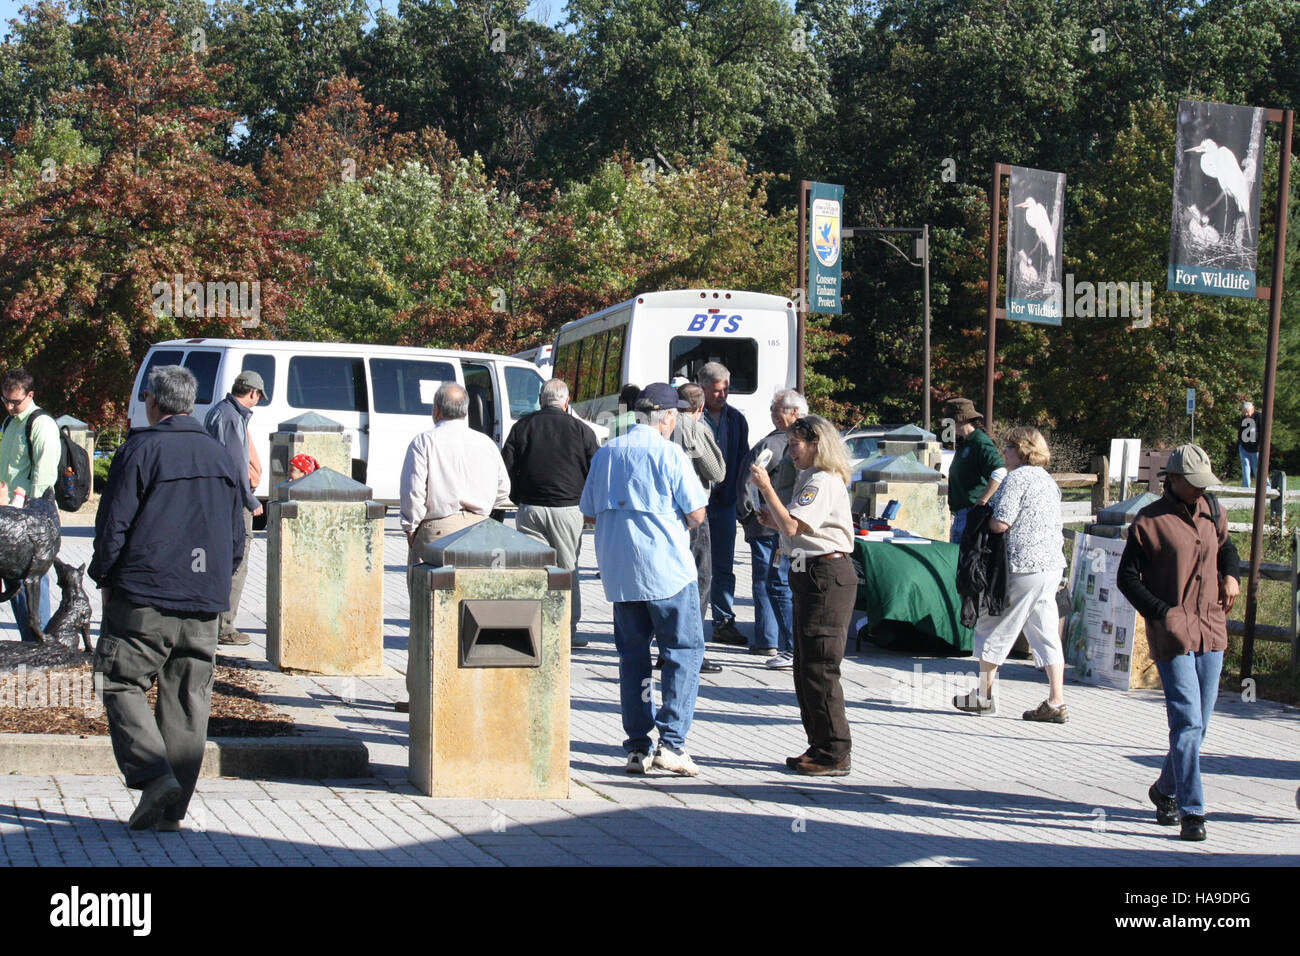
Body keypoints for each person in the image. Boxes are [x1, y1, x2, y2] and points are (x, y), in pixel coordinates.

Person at [89, 365, 244, 832]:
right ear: (190, 404)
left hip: (145, 596)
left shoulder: (140, 448)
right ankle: (170, 811)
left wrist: (104, 576)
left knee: (115, 681)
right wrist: (216, 580)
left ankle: (155, 779)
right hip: (203, 601)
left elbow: (113, 523)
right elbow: (237, 536)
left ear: (154, 403)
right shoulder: (220, 456)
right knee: (188, 700)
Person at [580, 383, 708, 776]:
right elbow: (698, 515)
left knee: (633, 659)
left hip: (622, 574)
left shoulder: (606, 454)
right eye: (676, 416)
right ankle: (672, 743)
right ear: (667, 418)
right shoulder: (670, 454)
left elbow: (587, 512)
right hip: (669, 570)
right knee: (682, 654)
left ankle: (637, 745)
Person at [1117, 444, 1239, 843]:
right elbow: (1127, 578)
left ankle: (1164, 789)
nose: (1202, 490)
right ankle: (1192, 810)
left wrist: (1231, 575)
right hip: (1173, 632)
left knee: (1198, 726)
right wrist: (1161, 611)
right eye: (1196, 484)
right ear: (1174, 479)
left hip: (1212, 629)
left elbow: (1226, 549)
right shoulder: (1148, 522)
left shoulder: (1213, 510)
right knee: (1186, 721)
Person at [749, 414, 856, 776]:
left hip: (826, 574)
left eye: (795, 444)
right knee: (804, 664)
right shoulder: (809, 477)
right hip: (807, 570)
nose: (790, 451)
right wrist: (772, 519)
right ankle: (820, 744)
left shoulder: (823, 480)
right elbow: (793, 526)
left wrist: (766, 488)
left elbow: (795, 524)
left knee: (820, 666)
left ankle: (835, 751)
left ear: (816, 445)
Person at [398, 382, 512, 711]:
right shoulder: (486, 444)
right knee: (472, 612)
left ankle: (421, 692)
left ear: (436, 410)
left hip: (438, 529)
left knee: (425, 614)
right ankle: (466, 692)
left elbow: (413, 491)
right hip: (479, 529)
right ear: (466, 412)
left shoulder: (424, 441)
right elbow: (504, 488)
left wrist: (410, 526)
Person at [951, 427, 1068, 721]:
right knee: (1045, 630)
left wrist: (981, 519)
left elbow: (1000, 522)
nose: (1004, 451)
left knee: (994, 625)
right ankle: (1056, 700)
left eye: (1009, 446)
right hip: (1051, 565)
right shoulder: (1048, 481)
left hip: (1022, 566)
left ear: (1023, 450)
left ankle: (983, 696)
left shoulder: (1016, 479)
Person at [502, 378, 600, 649]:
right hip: (568, 509)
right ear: (566, 402)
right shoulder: (582, 430)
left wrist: (516, 498)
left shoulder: (522, 427)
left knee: (534, 568)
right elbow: (596, 470)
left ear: (540, 399)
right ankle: (567, 629)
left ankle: (533, 626)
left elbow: (506, 466)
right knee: (567, 568)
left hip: (531, 508)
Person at [737, 389, 804, 667]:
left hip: (771, 526)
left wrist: (749, 516)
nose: (772, 414)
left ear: (793, 413)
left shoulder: (771, 445)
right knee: (784, 583)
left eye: (776, 409)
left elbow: (747, 482)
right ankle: (785, 642)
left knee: (769, 582)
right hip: (790, 526)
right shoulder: (801, 444)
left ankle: (769, 640)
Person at [203, 370, 265, 646]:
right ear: (253, 393)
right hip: (233, 501)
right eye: (259, 396)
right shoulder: (230, 417)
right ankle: (224, 627)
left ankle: (216, 624)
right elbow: (236, 464)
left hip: (220, 498)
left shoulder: (221, 412)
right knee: (237, 561)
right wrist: (250, 500)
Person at [0, 367, 61, 642]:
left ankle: (38, 642)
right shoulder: (9, 423)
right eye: (5, 401)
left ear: (30, 395)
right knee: (14, 582)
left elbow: (44, 479)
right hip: (8, 517)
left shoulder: (41, 423)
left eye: (15, 401)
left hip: (30, 521)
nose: (10, 407)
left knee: (31, 583)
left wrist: (27, 514)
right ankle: (29, 639)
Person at [669, 382, 725, 674]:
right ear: (700, 407)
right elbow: (717, 471)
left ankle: (668, 647)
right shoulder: (694, 428)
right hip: (694, 513)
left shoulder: (661, 425)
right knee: (700, 580)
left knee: (671, 580)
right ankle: (693, 648)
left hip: (667, 514)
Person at [697, 362, 750, 644]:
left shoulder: (736, 420)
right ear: (703, 388)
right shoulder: (693, 418)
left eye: (726, 389)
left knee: (724, 565)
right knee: (696, 564)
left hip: (726, 502)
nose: (722, 395)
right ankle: (693, 622)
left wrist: (739, 497)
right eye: (717, 390)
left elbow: (742, 460)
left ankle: (724, 621)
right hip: (697, 504)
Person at [944, 397, 1006, 543]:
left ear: (959, 420)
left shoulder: (980, 442)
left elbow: (1000, 471)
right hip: (962, 513)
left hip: (970, 513)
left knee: (964, 561)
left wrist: (982, 500)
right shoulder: (966, 443)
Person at [1238, 400, 1263, 488]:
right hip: (1244, 447)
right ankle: (1246, 486)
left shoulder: (1259, 417)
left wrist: (1260, 445)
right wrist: (1240, 443)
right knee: (1245, 467)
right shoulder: (1243, 418)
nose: (1246, 414)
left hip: (1255, 447)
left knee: (1257, 468)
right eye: (1244, 412)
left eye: (1247, 412)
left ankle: (1265, 486)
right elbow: (1240, 431)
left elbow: (1262, 431)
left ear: (1252, 409)